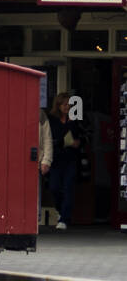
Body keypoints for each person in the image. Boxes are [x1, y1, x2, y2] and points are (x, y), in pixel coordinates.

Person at [46, 92, 85, 230]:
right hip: (56, 158)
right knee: (54, 187)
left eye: (69, 104)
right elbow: (49, 140)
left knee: (68, 187)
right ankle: (60, 210)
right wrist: (64, 142)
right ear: (58, 105)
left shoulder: (74, 120)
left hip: (71, 159)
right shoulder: (51, 120)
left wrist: (78, 142)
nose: (67, 107)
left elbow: (83, 136)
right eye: (64, 104)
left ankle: (64, 219)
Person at [37, 106, 53, 221]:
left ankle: (35, 219)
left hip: (35, 159)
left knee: (35, 191)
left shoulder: (40, 114)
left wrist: (46, 160)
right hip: (15, 161)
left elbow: (47, 138)